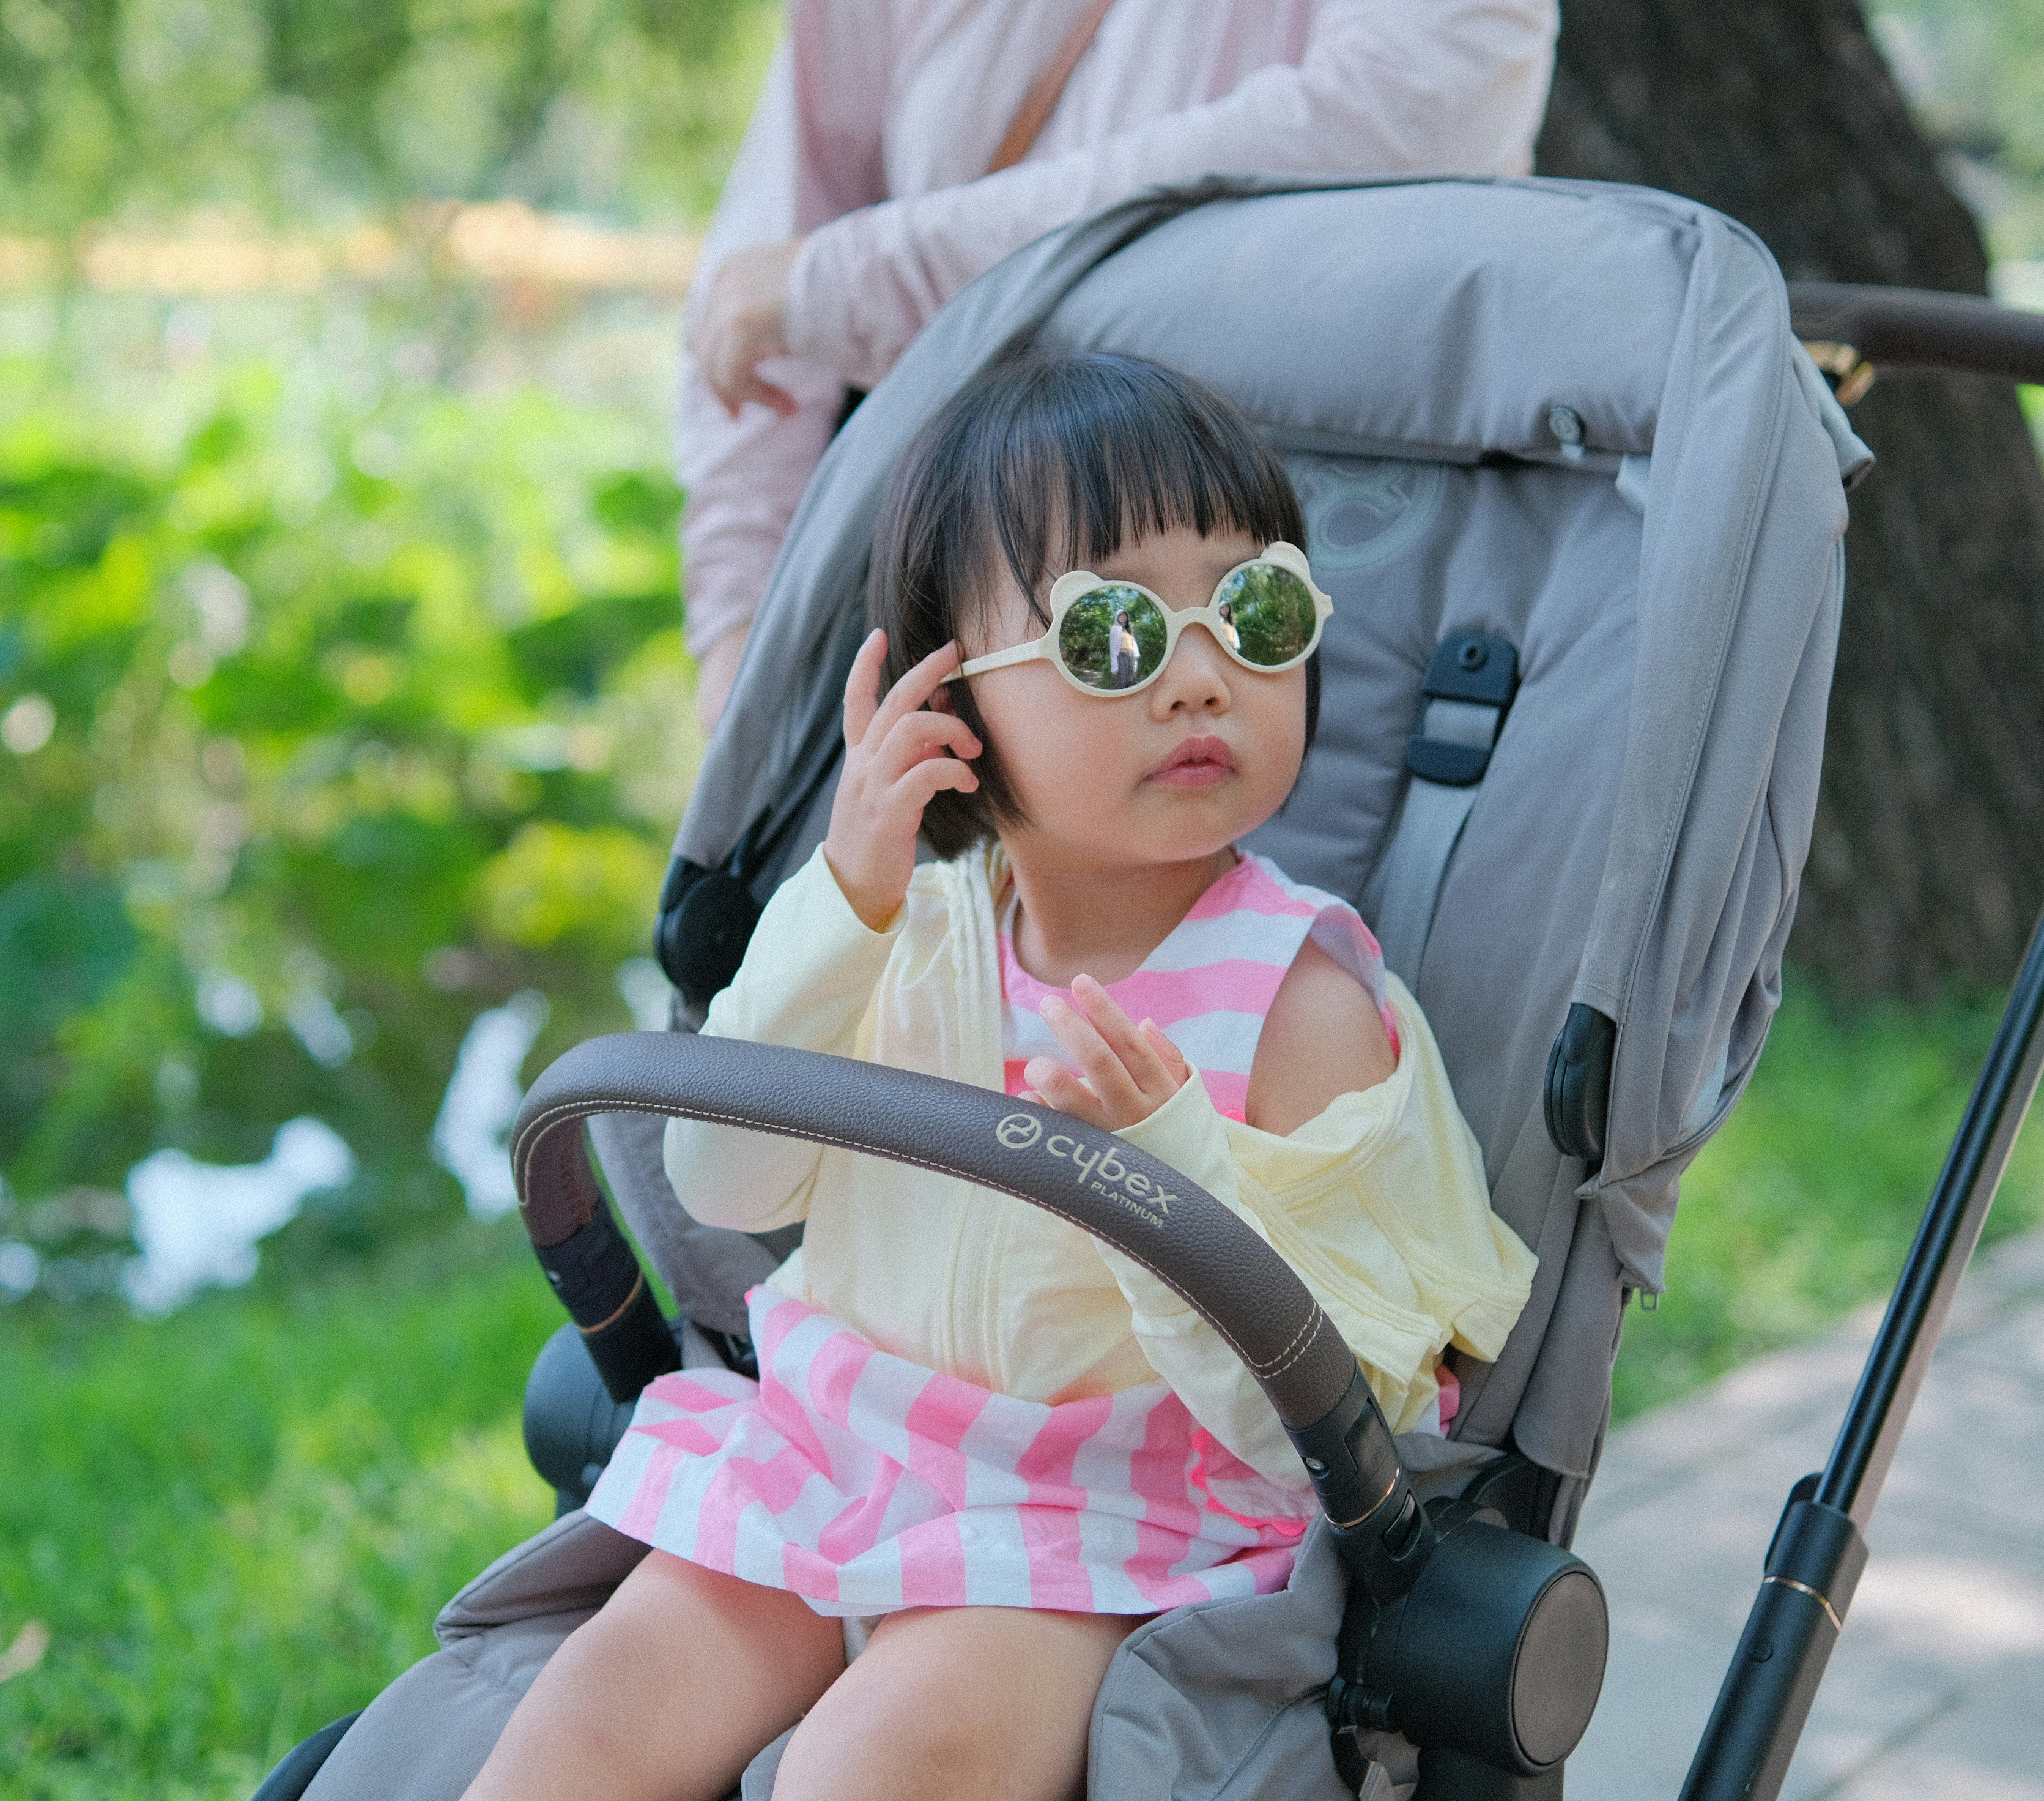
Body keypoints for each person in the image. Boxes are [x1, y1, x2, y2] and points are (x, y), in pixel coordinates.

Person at [464, 351, 1538, 1801]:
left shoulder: (1301, 1005)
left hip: (1097, 1518)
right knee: (600, 1701)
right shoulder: (902, 935)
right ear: (946, 697)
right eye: (1111, 635)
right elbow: (725, 1186)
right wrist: (840, 905)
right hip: (837, 1441)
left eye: (1255, 609)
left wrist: (1183, 1170)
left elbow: (1358, 1418)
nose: (1202, 675)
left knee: (871, 1764)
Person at [679, 0, 1563, 728]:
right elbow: (750, 310)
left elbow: (1402, 126)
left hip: (1338, 638)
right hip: (979, 662)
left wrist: (857, 280)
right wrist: (741, 653)